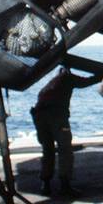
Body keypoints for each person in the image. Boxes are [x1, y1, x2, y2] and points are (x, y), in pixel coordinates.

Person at [30, 67, 77, 195]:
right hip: (56, 117)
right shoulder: (68, 78)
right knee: (65, 149)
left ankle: (45, 184)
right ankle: (65, 185)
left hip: (40, 117)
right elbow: (87, 81)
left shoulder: (50, 84)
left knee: (48, 150)